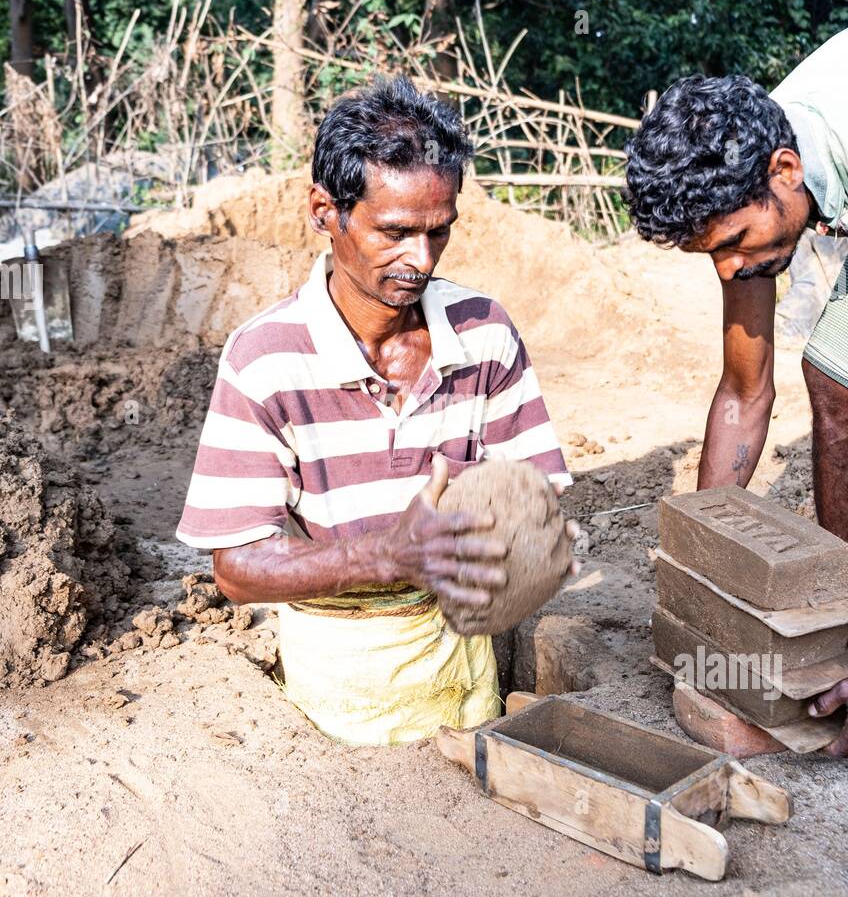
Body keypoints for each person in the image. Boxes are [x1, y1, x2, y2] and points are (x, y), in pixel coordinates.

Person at [177, 75, 576, 745]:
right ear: (323, 210)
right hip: (337, 678)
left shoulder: (484, 332)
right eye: (393, 232)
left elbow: (536, 497)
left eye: (437, 233)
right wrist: (389, 556)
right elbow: (236, 571)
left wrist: (526, 550)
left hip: (464, 661)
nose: (419, 261)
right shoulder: (264, 360)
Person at [624, 21, 848, 757]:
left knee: (840, 382)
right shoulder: (751, 165)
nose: (729, 271)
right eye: (711, 254)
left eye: (732, 244)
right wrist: (705, 569)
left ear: (785, 170)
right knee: (840, 381)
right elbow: (743, 388)